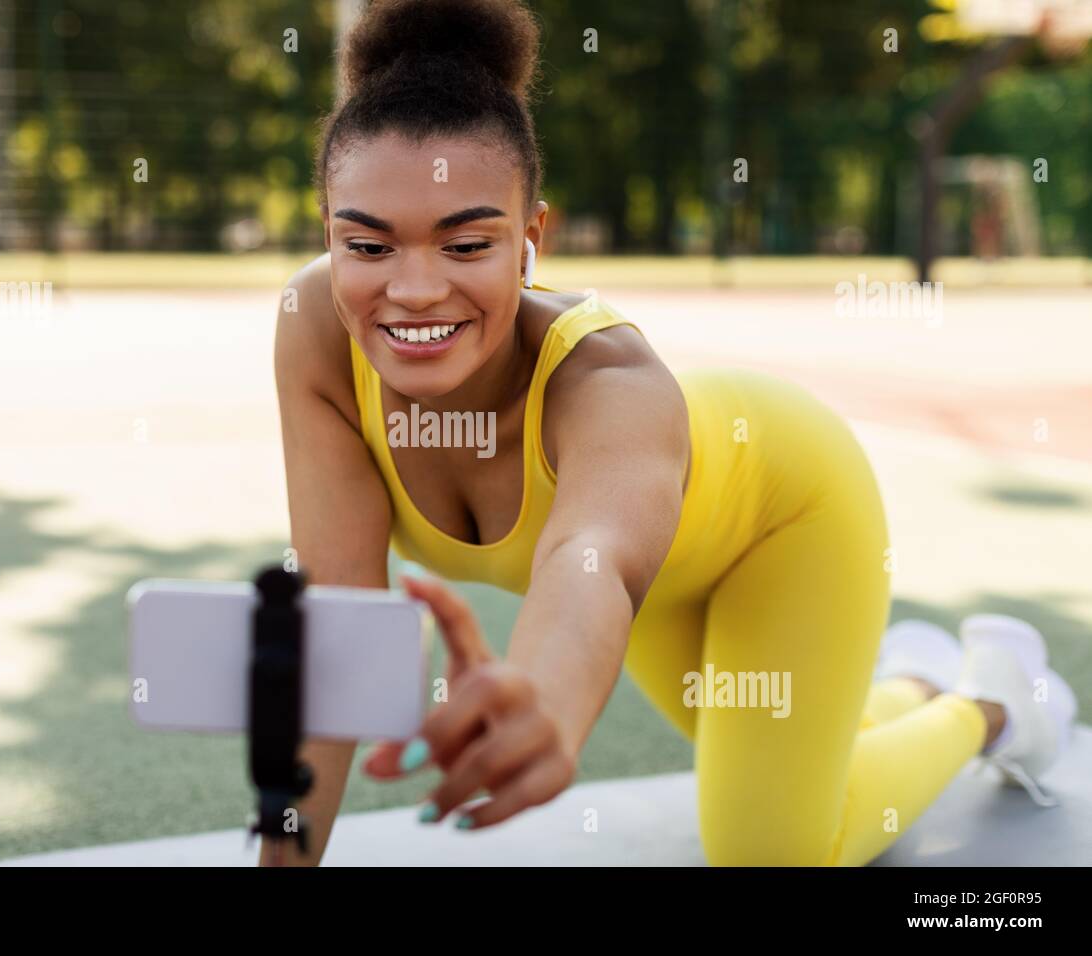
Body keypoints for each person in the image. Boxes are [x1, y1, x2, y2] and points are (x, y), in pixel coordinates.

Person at [268, 0, 1077, 866]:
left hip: (785, 513)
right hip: (665, 582)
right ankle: (909, 678)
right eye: (370, 246)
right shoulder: (314, 323)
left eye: (467, 245)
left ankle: (995, 702)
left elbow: (594, 564)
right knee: (777, 744)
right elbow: (341, 615)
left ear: (531, 240)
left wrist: (541, 694)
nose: (415, 289)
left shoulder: (607, 382)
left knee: (774, 849)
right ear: (331, 237)